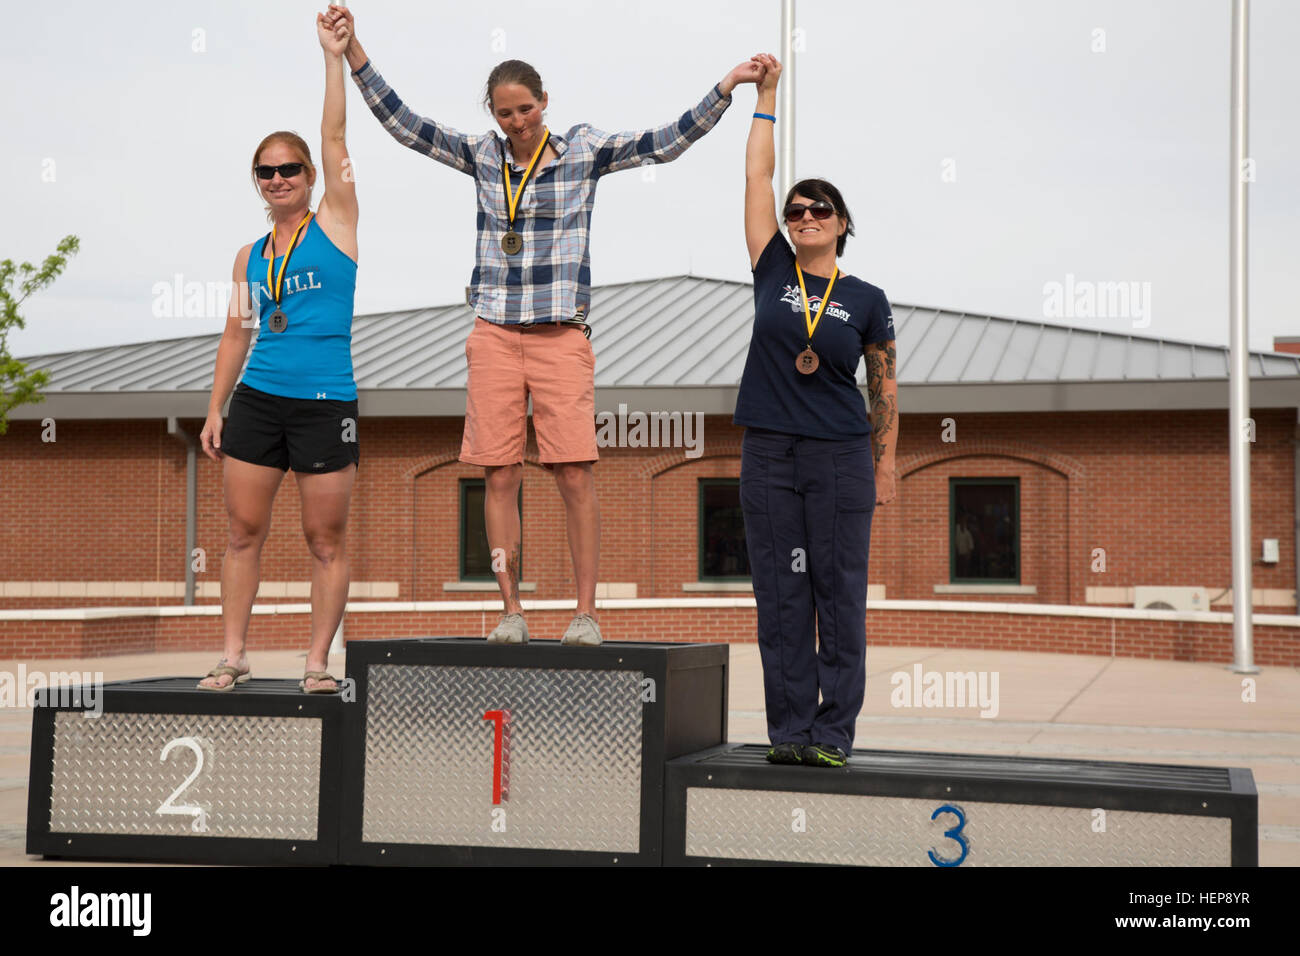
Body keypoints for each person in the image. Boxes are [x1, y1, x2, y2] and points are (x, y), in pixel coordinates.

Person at [324, 4, 763, 646]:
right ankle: (511, 611)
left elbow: (663, 143)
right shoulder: (480, 156)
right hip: (494, 332)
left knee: (574, 471)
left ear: (543, 101)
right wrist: (354, 52)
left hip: (560, 335)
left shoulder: (583, 151)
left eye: (525, 108)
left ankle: (585, 613)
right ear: (493, 117)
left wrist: (725, 87)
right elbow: (405, 125)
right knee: (498, 473)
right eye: (504, 113)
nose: (516, 121)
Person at [736, 54, 899, 767]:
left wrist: (884, 465)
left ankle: (833, 735)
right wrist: (766, 95)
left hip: (838, 456)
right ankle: (791, 733)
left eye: (818, 209)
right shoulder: (772, 267)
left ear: (841, 225)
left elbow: (884, 388)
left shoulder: (866, 298)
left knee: (838, 595)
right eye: (796, 210)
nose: (802, 216)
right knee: (781, 596)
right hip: (769, 452)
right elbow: (756, 179)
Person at [197, 12, 360, 693]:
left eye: (290, 168)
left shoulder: (338, 220)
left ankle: (317, 663)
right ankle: (233, 654)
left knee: (323, 540)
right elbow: (237, 333)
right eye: (266, 172)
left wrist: (333, 59)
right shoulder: (249, 255)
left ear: (310, 173)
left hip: (325, 401)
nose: (278, 178)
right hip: (258, 400)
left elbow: (335, 133)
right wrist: (215, 411)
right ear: (256, 180)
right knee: (241, 533)